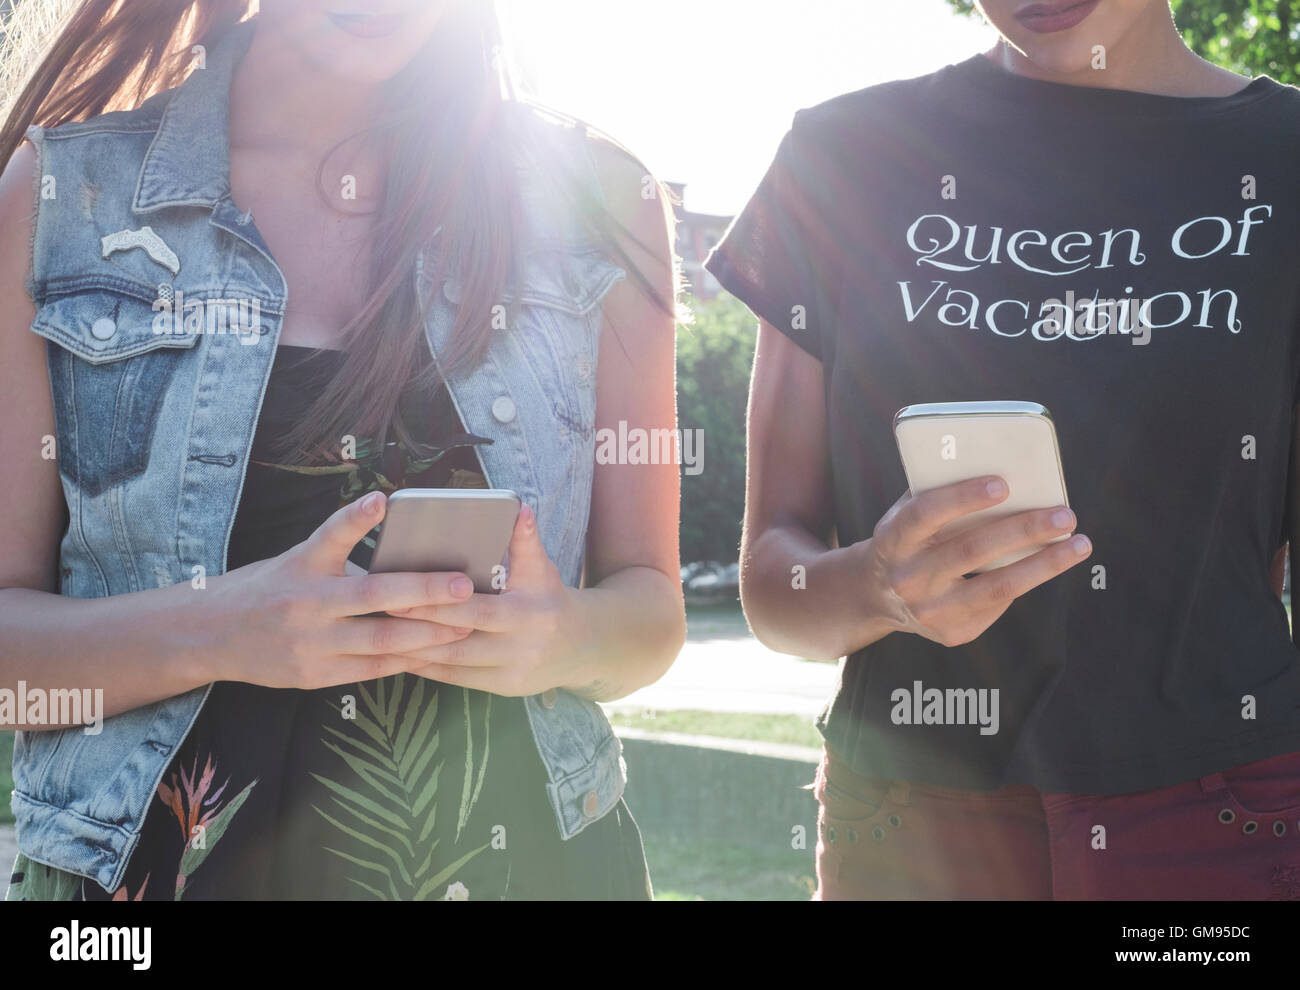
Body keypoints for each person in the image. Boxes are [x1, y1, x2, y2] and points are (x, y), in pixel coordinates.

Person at [0, 0, 684, 900]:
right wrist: (217, 630)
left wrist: (555, 639)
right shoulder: (57, 196)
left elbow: (650, 616)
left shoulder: (598, 200)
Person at [709, 0, 1300, 900]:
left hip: (1221, 822)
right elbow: (771, 583)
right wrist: (879, 587)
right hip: (911, 829)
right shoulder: (844, 157)